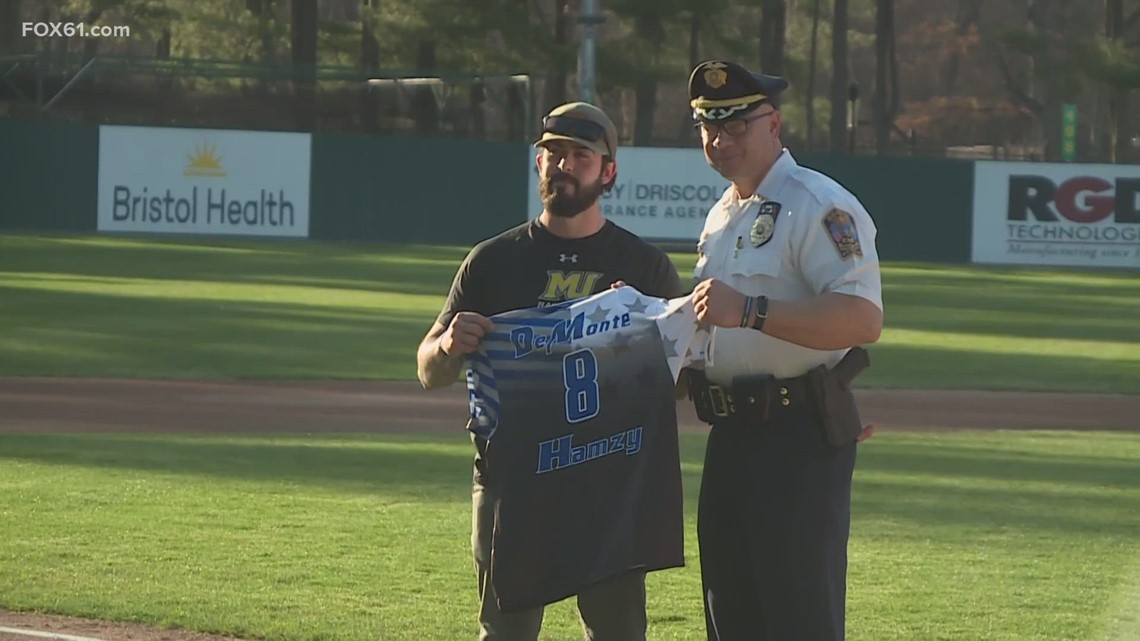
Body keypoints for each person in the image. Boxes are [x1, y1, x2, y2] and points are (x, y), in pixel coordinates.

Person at [415, 100, 685, 641]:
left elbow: (681, 381)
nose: (562, 165)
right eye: (551, 154)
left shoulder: (644, 267)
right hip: (512, 482)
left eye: (580, 156)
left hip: (609, 480)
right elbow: (428, 369)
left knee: (619, 633)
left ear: (607, 171)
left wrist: (638, 334)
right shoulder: (491, 261)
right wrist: (448, 344)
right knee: (506, 633)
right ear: (537, 163)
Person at [682, 59, 885, 641]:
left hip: (797, 440)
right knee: (732, 614)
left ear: (774, 124)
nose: (720, 141)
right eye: (708, 128)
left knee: (798, 616)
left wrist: (749, 309)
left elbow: (861, 318)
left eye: (736, 127)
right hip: (730, 436)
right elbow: (712, 321)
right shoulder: (723, 214)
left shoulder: (819, 203)